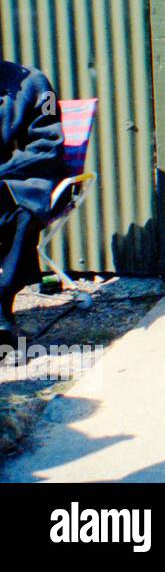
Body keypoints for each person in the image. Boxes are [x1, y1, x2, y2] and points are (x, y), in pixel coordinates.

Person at [0, 60, 65, 357]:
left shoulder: (35, 85)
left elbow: (47, 146)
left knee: (21, 212)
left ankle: (2, 304)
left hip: (24, 180)